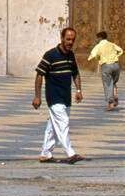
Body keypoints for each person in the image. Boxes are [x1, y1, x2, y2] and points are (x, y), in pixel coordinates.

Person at [34, 26, 84, 163]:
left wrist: (78, 90)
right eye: (68, 39)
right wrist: (37, 96)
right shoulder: (50, 55)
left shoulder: (70, 55)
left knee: (53, 126)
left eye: (72, 40)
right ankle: (70, 153)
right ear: (61, 38)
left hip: (66, 97)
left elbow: (75, 73)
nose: (70, 42)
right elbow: (39, 75)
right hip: (54, 96)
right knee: (63, 123)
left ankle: (46, 153)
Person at [86, 30, 122, 111]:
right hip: (116, 65)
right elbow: (121, 50)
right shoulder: (111, 44)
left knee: (108, 84)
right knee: (114, 82)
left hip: (106, 66)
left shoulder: (98, 46)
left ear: (100, 38)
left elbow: (92, 55)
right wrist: (116, 56)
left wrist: (89, 60)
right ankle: (115, 95)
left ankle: (111, 104)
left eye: (97, 38)